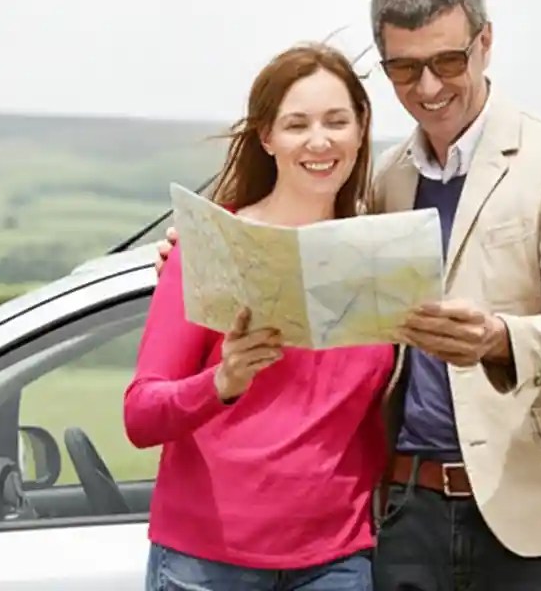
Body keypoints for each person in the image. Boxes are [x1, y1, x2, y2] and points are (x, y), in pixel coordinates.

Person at [152, 0, 541, 590]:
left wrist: (499, 339)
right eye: (405, 69)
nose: (428, 87)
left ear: (485, 44)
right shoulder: (386, 181)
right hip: (408, 512)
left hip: (535, 511)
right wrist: (197, 254)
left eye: (448, 62)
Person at [124, 43, 401, 591]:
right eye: (297, 124)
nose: (319, 141)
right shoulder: (212, 248)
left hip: (337, 562)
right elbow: (140, 415)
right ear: (266, 136)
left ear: (361, 128)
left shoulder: (384, 256)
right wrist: (220, 382)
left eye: (336, 121)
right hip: (206, 564)